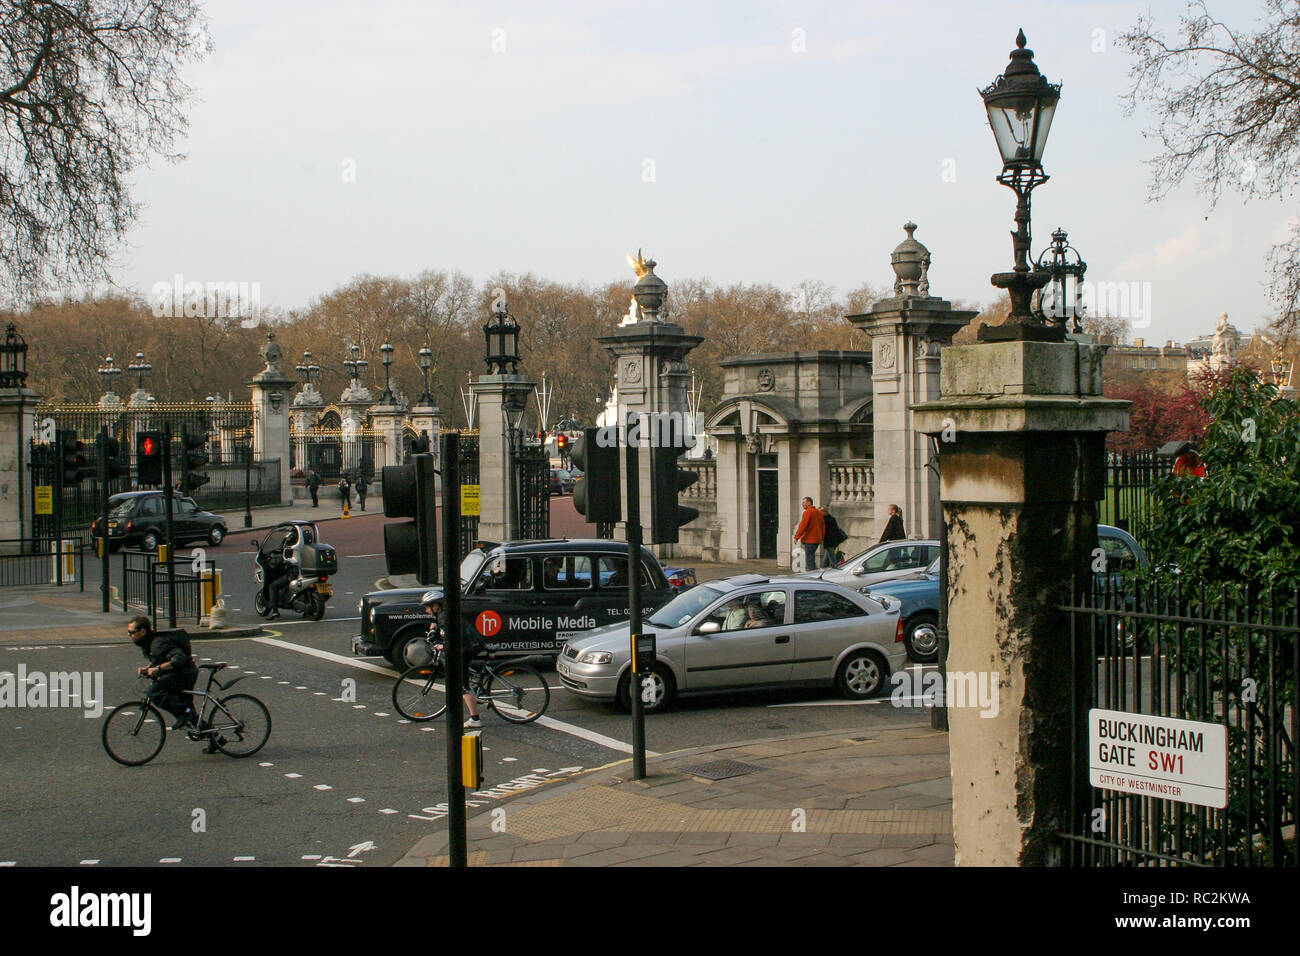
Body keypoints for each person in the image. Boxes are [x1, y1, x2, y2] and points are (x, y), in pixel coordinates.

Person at [128, 616, 215, 751]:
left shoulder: (158, 643)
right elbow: (160, 658)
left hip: (184, 674)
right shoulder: (149, 643)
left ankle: (184, 714)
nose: (130, 636)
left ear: (143, 631)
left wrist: (158, 669)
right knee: (189, 713)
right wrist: (148, 668)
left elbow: (179, 658)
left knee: (153, 692)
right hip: (181, 673)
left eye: (132, 632)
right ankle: (216, 739)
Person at [422, 588, 488, 730]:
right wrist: (434, 628)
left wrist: (442, 646)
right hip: (471, 645)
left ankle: (475, 719)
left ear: (436, 606)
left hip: (466, 648)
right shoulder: (443, 615)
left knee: (461, 685)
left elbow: (453, 641)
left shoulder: (443, 618)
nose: (426, 610)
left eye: (428, 607)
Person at [793, 496, 825, 571]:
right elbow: (823, 526)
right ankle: (813, 572)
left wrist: (796, 537)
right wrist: (822, 537)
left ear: (809, 502)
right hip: (817, 539)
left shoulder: (808, 512)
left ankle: (812, 574)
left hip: (810, 539)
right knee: (811, 557)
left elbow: (803, 525)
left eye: (804, 502)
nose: (802, 504)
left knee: (809, 559)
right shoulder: (819, 512)